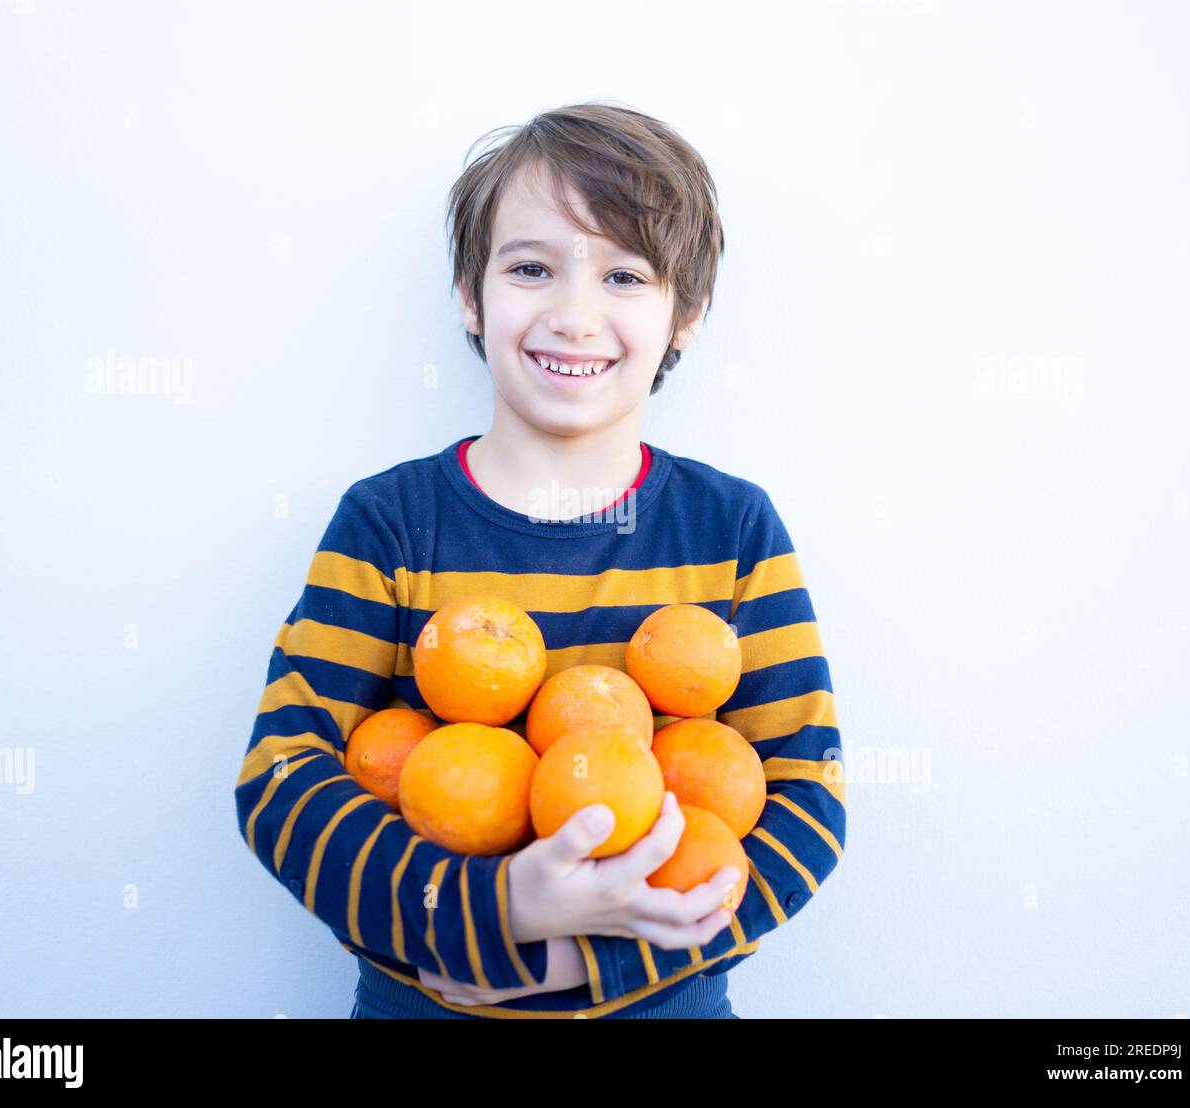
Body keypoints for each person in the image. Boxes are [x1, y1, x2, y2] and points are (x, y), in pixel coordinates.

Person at [233, 102, 846, 1019]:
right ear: (470, 295)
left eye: (625, 275)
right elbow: (282, 776)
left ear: (687, 315)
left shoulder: (732, 531)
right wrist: (497, 915)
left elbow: (806, 798)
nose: (574, 313)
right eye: (531, 268)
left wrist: (585, 963)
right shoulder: (391, 523)